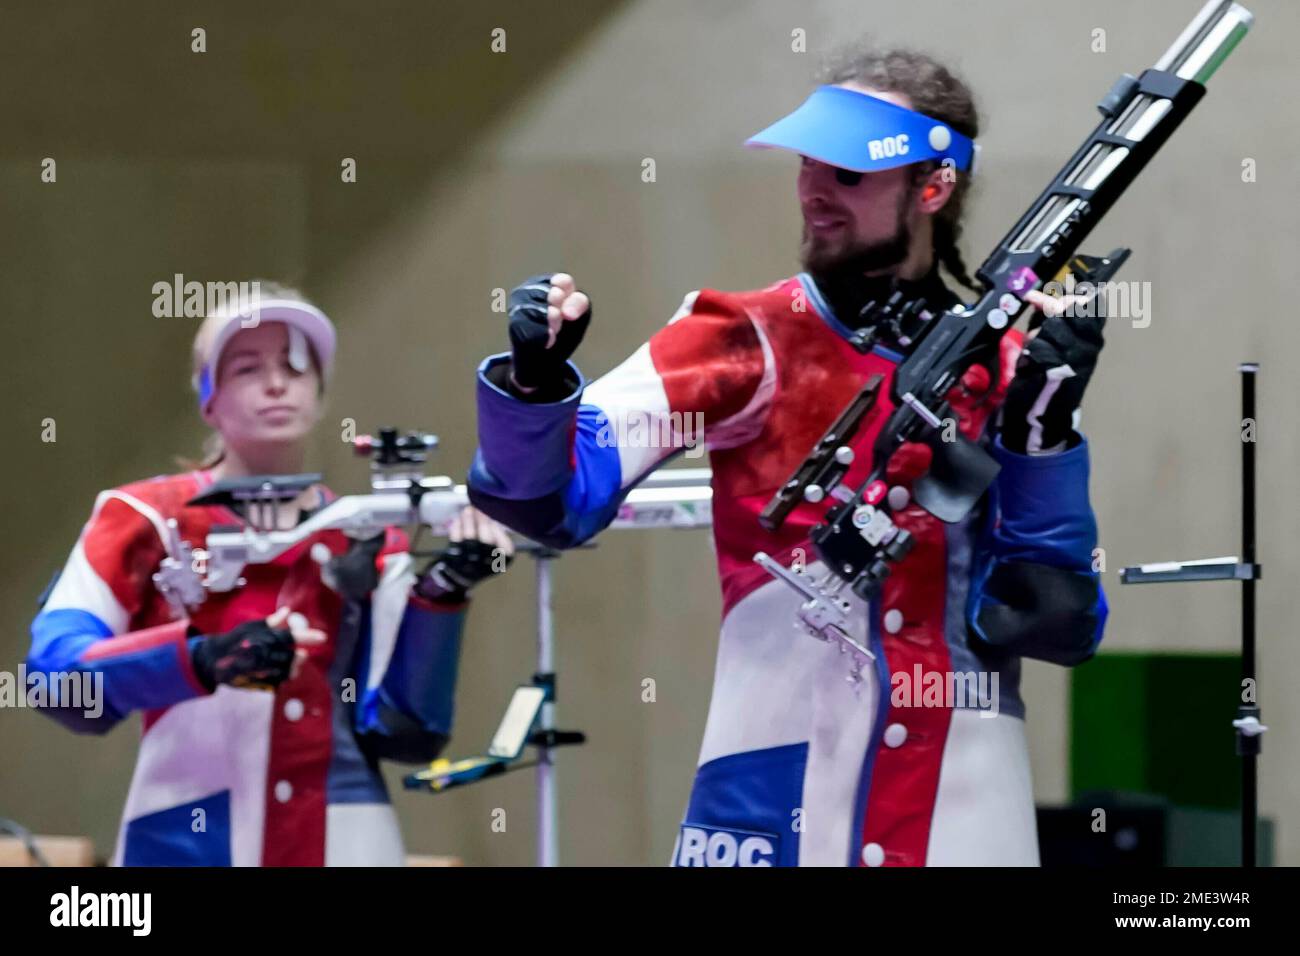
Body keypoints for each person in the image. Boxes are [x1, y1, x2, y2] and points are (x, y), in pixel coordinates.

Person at [467, 48, 1108, 866]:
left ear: (932, 187)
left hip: (967, 797)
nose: (813, 190)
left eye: (847, 173)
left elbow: (1054, 621)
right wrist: (535, 379)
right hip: (773, 786)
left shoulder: (1013, 363)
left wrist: (1045, 443)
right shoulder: (744, 335)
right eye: (809, 164)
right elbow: (544, 503)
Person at [27, 283, 515, 866]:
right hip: (186, 835)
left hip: (345, 836)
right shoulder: (142, 520)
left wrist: (441, 595)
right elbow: (57, 681)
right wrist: (203, 660)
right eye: (247, 367)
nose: (277, 383)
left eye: (295, 367)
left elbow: (407, 733)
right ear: (207, 397)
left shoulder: (369, 531)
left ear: (320, 392)